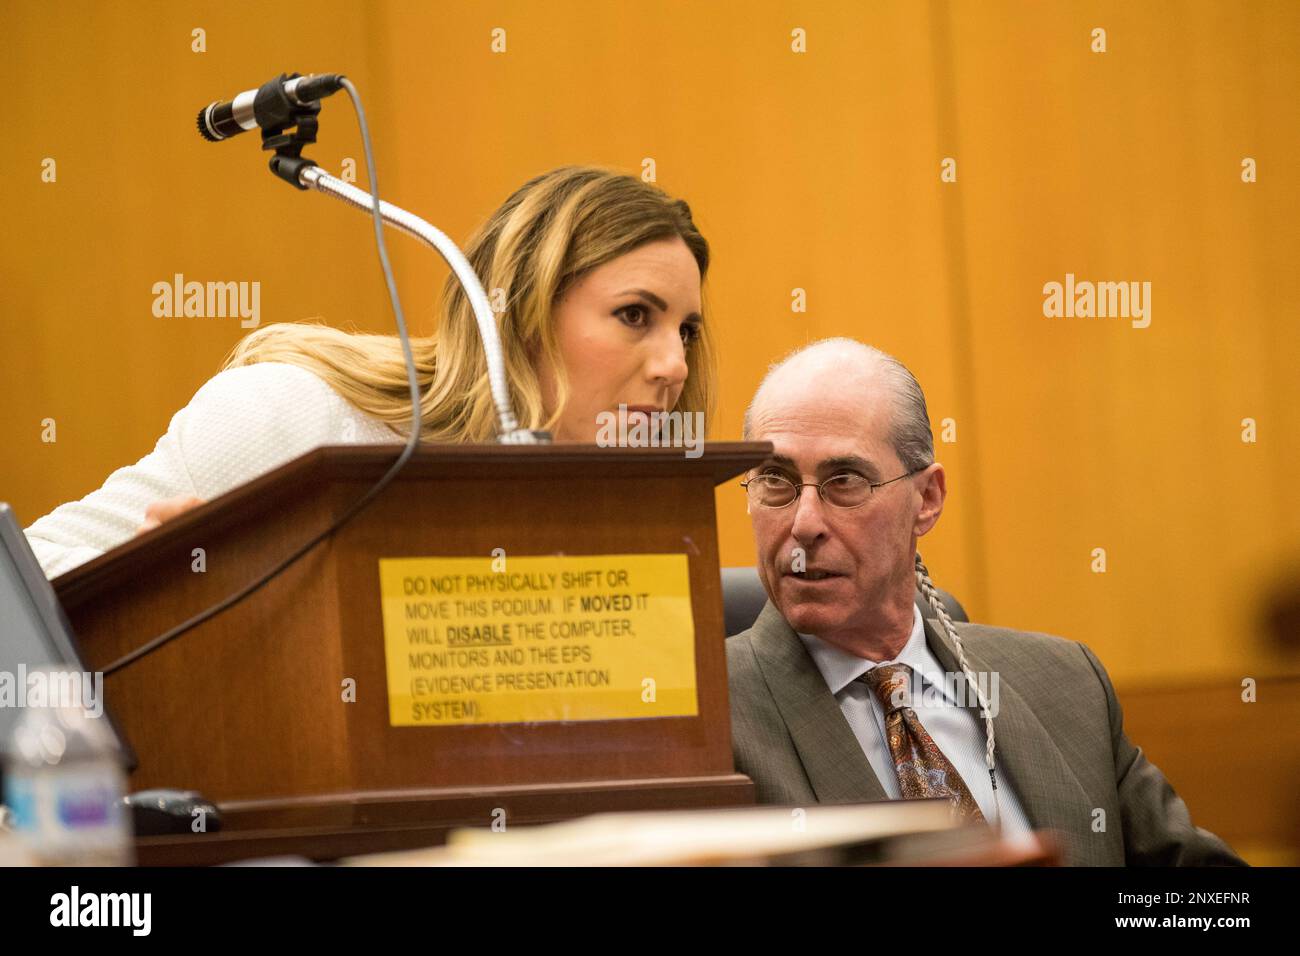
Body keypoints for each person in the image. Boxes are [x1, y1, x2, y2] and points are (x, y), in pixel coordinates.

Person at [25, 166, 715, 578]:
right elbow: (17, 593)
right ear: (517, 314)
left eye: (685, 330)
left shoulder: (627, 518)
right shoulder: (301, 417)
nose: (674, 365)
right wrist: (161, 586)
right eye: (634, 316)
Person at [727, 337, 1245, 866]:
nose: (804, 523)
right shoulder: (709, 721)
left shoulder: (1066, 684)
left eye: (845, 482)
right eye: (776, 480)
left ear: (926, 500)